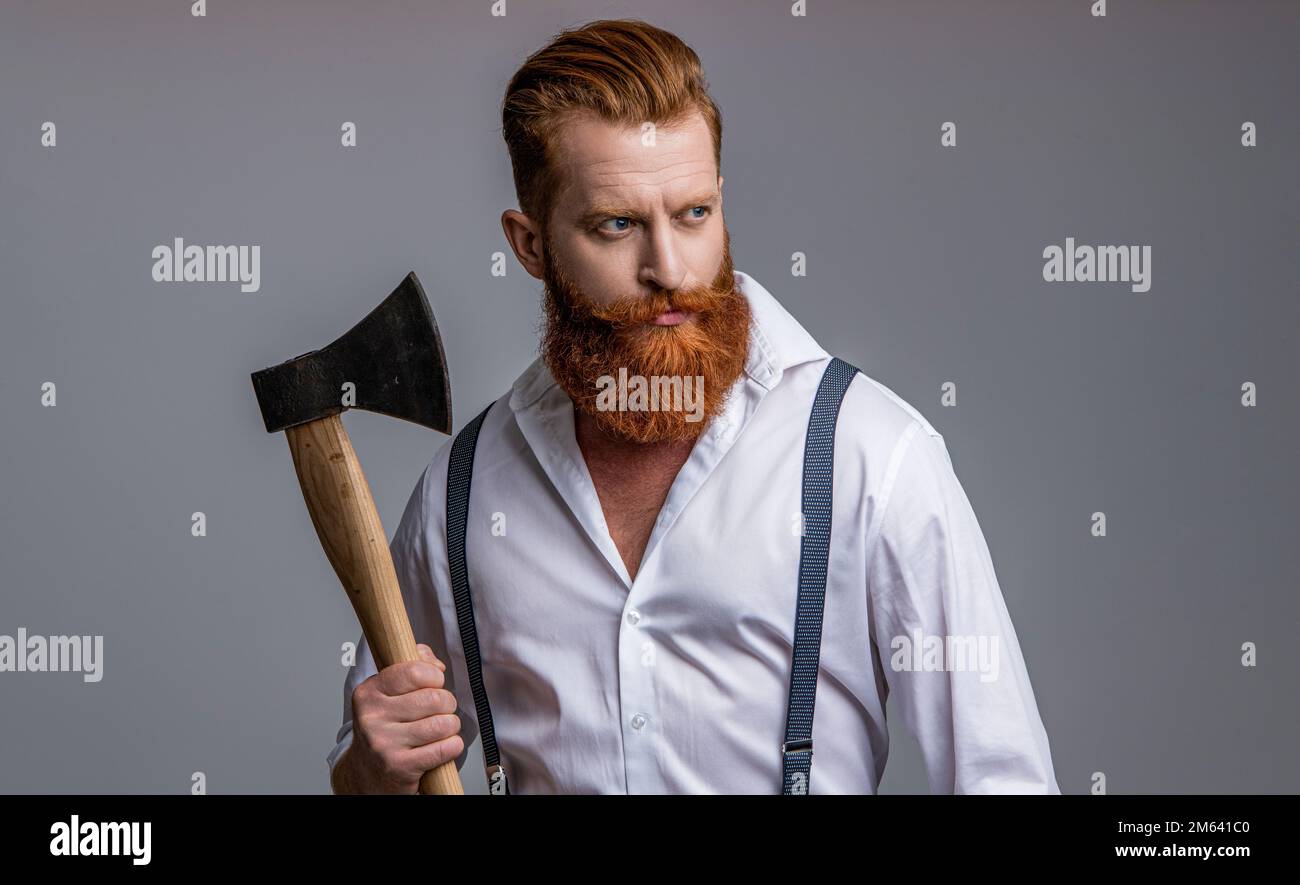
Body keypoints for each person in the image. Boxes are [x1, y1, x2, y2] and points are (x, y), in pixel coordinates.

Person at [327, 18, 1059, 795]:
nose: (669, 269)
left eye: (693, 214)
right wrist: (372, 772)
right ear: (530, 244)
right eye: (617, 225)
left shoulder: (868, 454)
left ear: (722, 202)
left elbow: (1002, 778)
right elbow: (372, 776)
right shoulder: (463, 493)